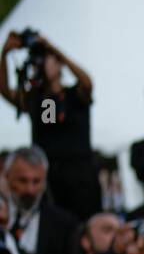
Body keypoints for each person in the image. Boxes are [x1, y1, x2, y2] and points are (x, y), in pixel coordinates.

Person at [0, 31, 99, 219]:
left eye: (47, 59)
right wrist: (4, 54)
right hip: (50, 179)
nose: (42, 63)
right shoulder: (44, 101)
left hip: (80, 180)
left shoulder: (74, 96)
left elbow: (87, 81)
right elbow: (5, 90)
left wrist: (54, 50)